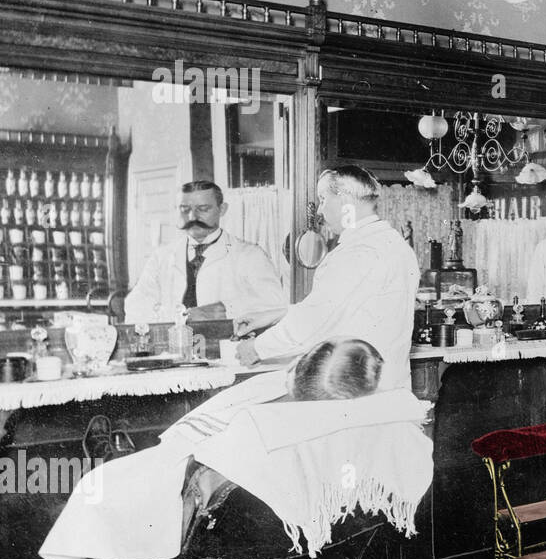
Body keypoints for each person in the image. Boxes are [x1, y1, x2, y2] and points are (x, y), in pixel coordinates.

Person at [234, 166, 419, 391]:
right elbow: (349, 308)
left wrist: (257, 348)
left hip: (353, 389)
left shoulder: (358, 251)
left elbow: (314, 320)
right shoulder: (395, 245)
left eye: (323, 199)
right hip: (386, 383)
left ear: (343, 200)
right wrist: (275, 314)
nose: (320, 211)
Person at [123, 179, 285, 324]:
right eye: (185, 209)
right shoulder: (162, 257)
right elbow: (135, 305)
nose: (193, 216)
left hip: (229, 349)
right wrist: (176, 315)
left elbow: (275, 303)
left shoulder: (250, 255)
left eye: (203, 209)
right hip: (175, 347)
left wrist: (224, 310)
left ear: (222, 209)